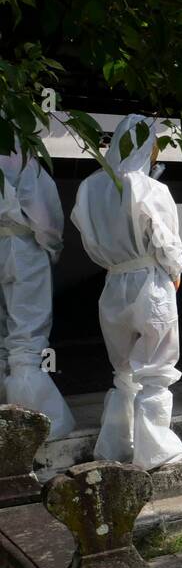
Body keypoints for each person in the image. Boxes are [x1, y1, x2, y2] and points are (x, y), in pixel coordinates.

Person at [70, 114, 182, 470]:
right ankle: (155, 449)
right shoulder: (150, 188)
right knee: (155, 365)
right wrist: (175, 270)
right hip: (149, 279)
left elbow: (87, 238)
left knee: (123, 370)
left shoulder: (90, 186)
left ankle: (117, 442)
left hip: (113, 281)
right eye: (153, 145)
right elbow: (165, 240)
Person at [0, 142, 76, 438]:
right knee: (28, 338)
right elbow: (45, 218)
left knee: (4, 333)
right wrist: (52, 249)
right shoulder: (27, 166)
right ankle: (36, 420)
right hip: (25, 247)